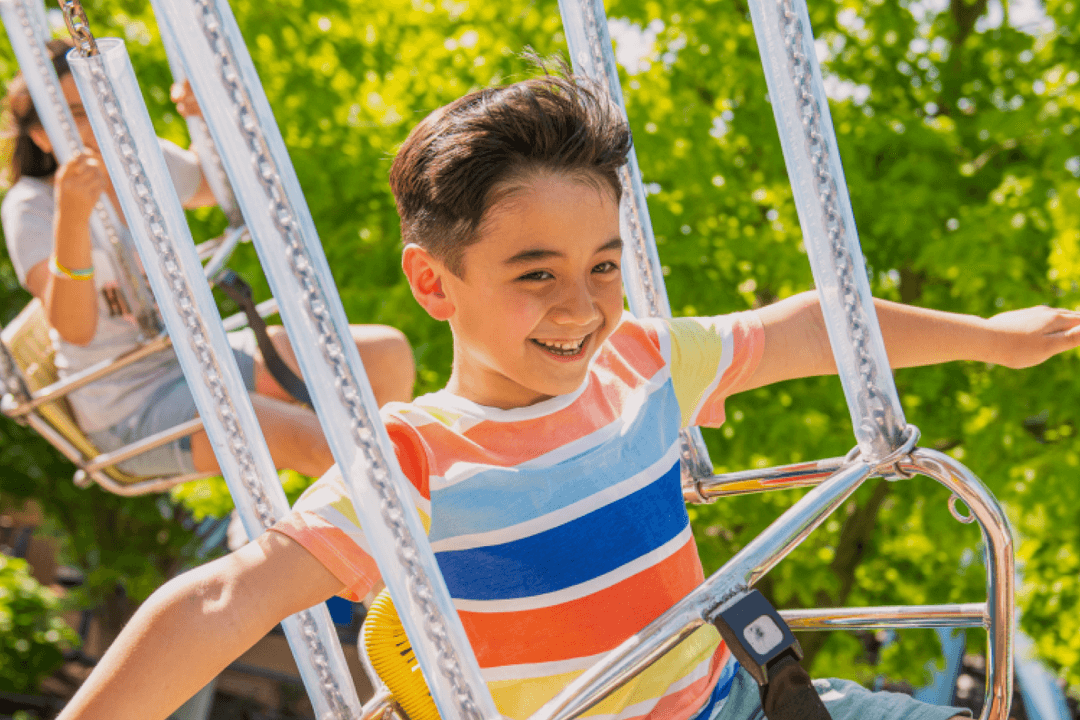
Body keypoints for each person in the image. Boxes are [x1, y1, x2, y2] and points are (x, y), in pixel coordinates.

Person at [55, 71, 1080, 720]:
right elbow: (225, 599)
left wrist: (990, 340)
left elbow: (807, 326)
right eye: (535, 272)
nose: (580, 306)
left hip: (743, 700)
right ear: (434, 284)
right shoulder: (418, 460)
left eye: (603, 265)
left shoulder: (639, 361)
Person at [1, 39, 415, 480]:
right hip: (132, 404)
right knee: (311, 440)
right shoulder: (32, 207)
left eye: (100, 103)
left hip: (198, 358)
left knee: (385, 356)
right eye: (76, 113)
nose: (97, 120)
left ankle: (401, 491)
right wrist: (73, 218)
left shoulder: (138, 161)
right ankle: (387, 508)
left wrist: (207, 118)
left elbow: (221, 188)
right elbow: (75, 328)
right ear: (41, 135)